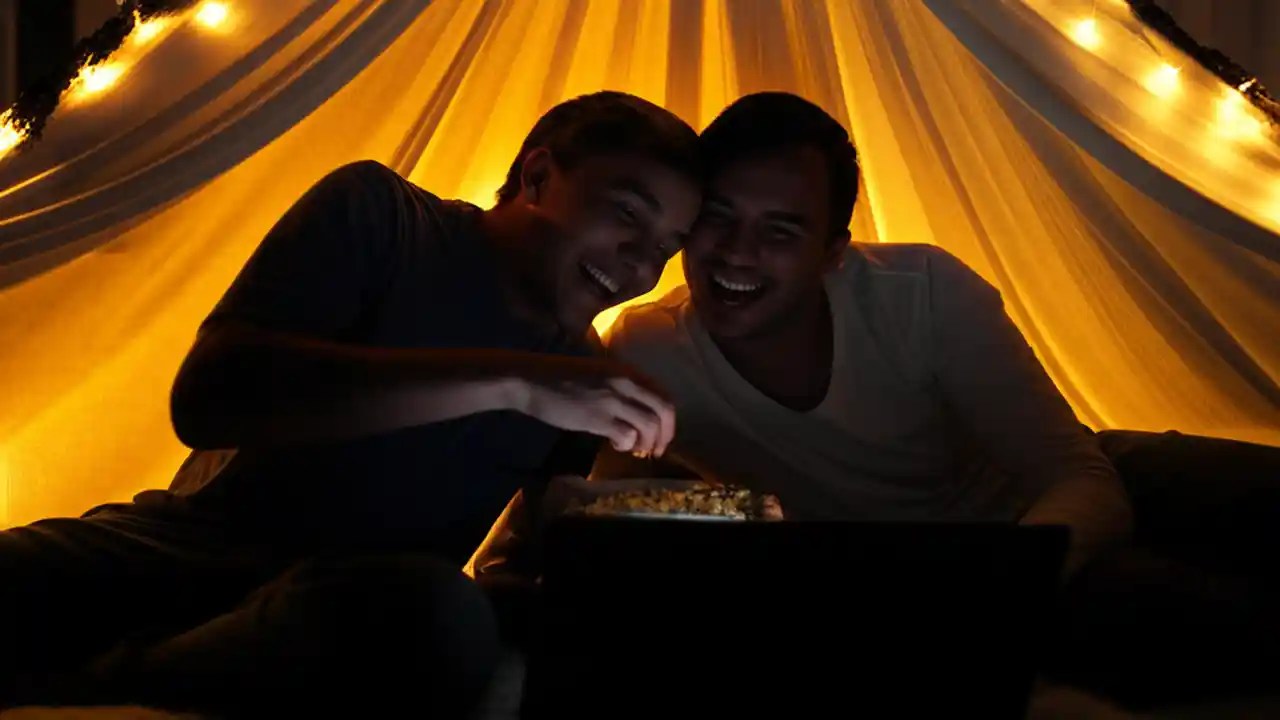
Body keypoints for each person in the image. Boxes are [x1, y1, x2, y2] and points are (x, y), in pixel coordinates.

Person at [0, 91, 700, 717]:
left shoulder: (586, 379)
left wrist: (692, 513)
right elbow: (211, 399)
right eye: (625, 217)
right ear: (539, 177)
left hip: (349, 608)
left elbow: (529, 560)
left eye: (665, 249)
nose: (639, 266)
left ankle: (115, 676)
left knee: (436, 615)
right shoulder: (385, 217)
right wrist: (511, 381)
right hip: (175, 551)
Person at [595, 92, 1279, 710]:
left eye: (780, 231)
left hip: (1064, 497)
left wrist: (1000, 585)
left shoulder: (922, 291)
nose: (737, 254)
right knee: (1199, 622)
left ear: (834, 252)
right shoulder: (650, 353)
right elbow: (598, 511)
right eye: (719, 220)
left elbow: (1081, 477)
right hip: (992, 573)